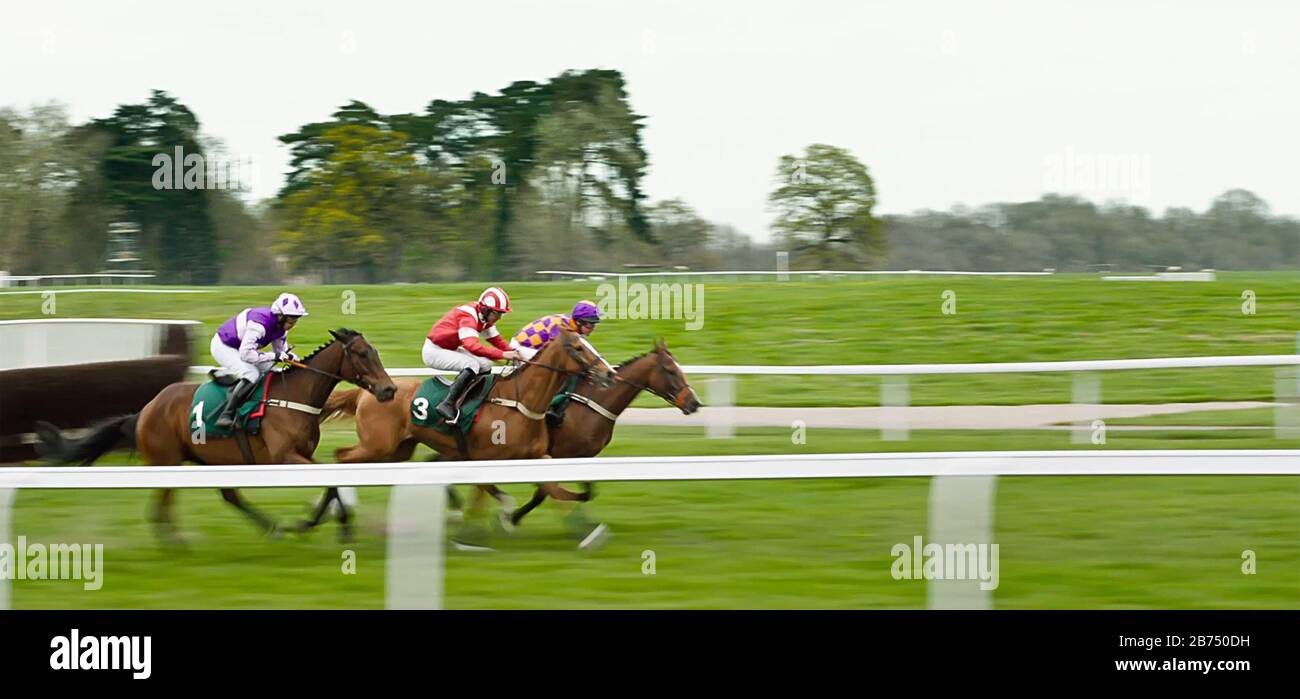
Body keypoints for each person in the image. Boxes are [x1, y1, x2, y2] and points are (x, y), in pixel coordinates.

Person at [422, 287, 522, 421]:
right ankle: (447, 404)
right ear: (486, 309)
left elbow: (496, 340)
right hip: (434, 351)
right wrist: (503, 355)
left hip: (448, 348)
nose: (499, 317)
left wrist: (514, 353)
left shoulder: (484, 317)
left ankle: (474, 399)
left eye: (501, 314)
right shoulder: (468, 317)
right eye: (497, 313)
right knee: (472, 364)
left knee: (485, 364)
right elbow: (472, 346)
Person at [211, 292, 308, 429]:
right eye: (291, 320)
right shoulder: (259, 325)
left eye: (295, 320)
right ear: (280, 316)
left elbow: (281, 351)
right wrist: (274, 356)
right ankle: (226, 415)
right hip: (224, 346)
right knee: (252, 374)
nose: (293, 324)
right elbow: (246, 355)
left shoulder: (281, 328)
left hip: (244, 349)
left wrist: (294, 358)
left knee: (273, 371)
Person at [509, 300, 603, 425]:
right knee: (554, 370)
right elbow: (556, 354)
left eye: (594, 324)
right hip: (522, 348)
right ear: (579, 322)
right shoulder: (561, 328)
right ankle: (548, 407)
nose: (593, 328)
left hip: (535, 347)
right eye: (590, 325)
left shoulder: (570, 327)